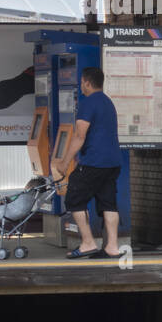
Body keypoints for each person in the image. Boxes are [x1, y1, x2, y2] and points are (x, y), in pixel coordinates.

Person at [51, 67, 122, 258]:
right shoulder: (108, 102)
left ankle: (88, 243)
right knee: (108, 203)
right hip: (113, 162)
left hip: (94, 161)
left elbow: (79, 135)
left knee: (74, 198)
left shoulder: (88, 103)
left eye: (82, 82)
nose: (81, 85)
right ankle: (113, 247)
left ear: (88, 83)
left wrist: (65, 162)